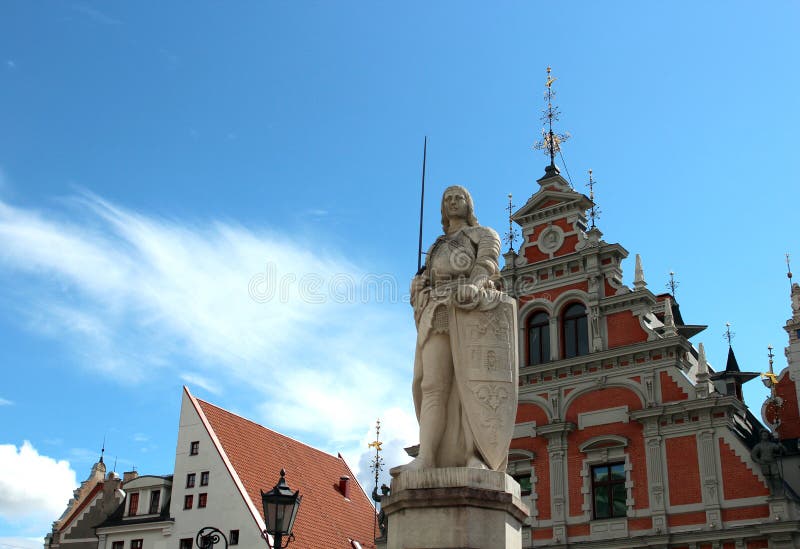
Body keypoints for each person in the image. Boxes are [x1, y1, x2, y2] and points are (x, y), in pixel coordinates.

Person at [392, 186, 518, 475]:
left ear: (469, 203)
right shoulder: (436, 245)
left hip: (469, 311)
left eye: (458, 197)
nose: (452, 202)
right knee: (432, 386)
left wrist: (474, 285)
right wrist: (418, 288)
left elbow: (487, 263)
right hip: (437, 311)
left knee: (469, 388)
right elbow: (426, 278)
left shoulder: (484, 234)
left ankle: (476, 455)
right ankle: (427, 457)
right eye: (447, 199)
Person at [750, 429, 786, 495]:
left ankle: (780, 490)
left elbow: (780, 450)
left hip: (772, 462)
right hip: (764, 463)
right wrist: (759, 461)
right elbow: (753, 455)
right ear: (761, 436)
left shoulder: (772, 445)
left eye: (766, 435)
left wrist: (781, 447)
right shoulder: (758, 446)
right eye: (763, 435)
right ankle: (772, 491)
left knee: (776, 477)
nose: (765, 436)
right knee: (768, 478)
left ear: (768, 436)